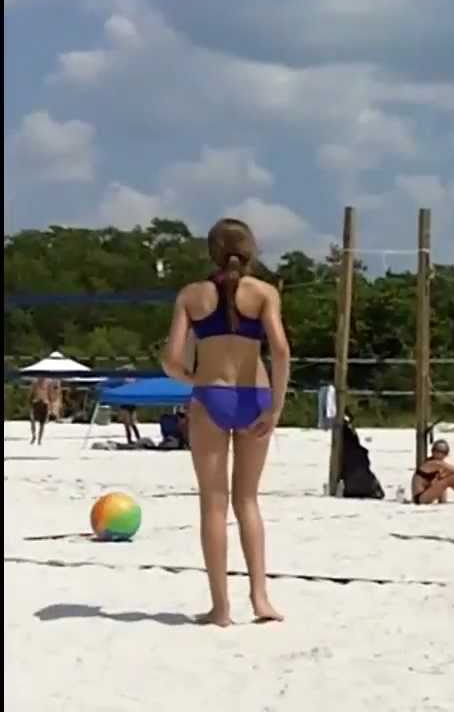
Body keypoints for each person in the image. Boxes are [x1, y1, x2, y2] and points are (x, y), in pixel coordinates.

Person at [161, 218, 289, 626]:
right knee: (248, 500)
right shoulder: (264, 293)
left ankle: (221, 608)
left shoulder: (192, 296)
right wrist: (277, 409)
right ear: (251, 250)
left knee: (213, 504)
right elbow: (282, 351)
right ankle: (261, 598)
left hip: (211, 395)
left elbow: (170, 359)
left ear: (211, 252)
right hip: (256, 394)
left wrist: (193, 380)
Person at [29, 377, 55, 445]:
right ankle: (34, 436)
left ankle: (39, 439)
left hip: (44, 403)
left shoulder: (49, 382)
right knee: (32, 420)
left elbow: (50, 395)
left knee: (42, 423)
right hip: (36, 402)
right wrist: (31, 403)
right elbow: (31, 393)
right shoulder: (35, 382)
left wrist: (50, 406)